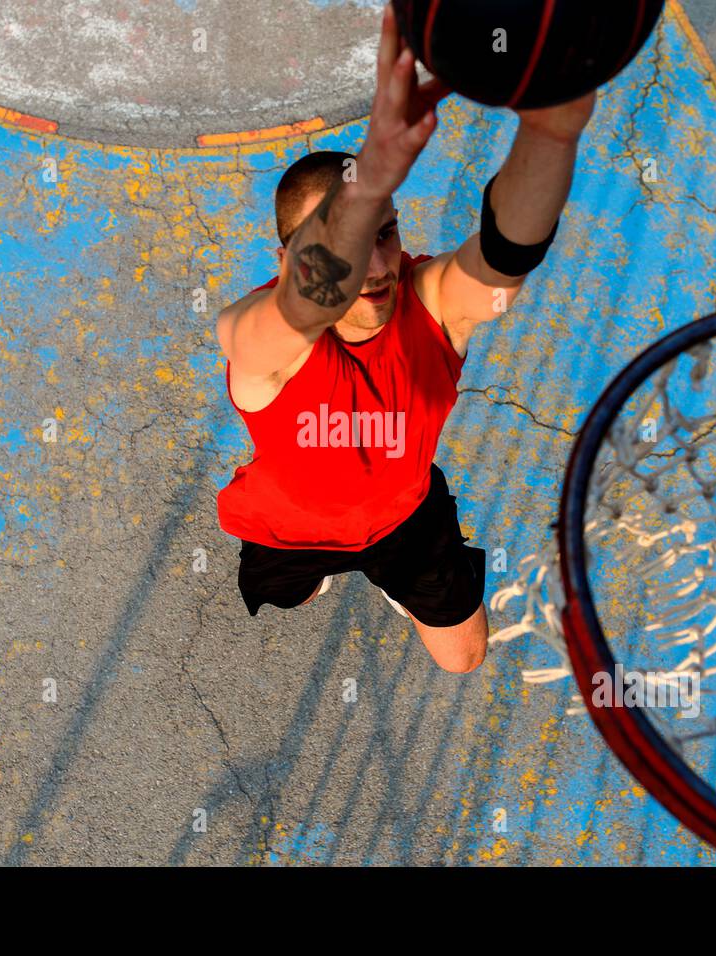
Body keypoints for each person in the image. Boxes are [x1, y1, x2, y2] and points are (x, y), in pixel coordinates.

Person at [215, 5, 595, 673]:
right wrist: (370, 184)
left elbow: (503, 262)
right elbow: (306, 306)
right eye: (351, 238)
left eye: (384, 232)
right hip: (288, 525)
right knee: (293, 595)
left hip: (404, 516)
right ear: (285, 263)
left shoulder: (432, 303)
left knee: (464, 658)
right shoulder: (261, 340)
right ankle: (324, 571)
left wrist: (553, 133)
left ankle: (394, 577)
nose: (376, 263)